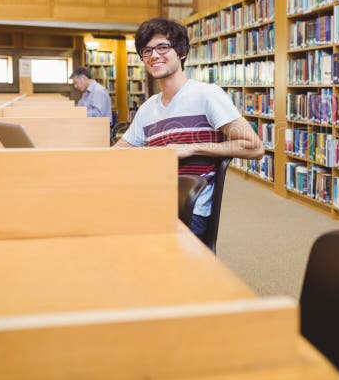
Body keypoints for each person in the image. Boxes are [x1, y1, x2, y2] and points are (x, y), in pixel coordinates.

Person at [113, 17, 264, 243]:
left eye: (163, 47)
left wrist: (193, 148)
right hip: (154, 199)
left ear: (181, 52)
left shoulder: (207, 95)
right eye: (147, 51)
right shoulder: (147, 108)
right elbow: (118, 152)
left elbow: (254, 147)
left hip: (188, 209)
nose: (154, 55)